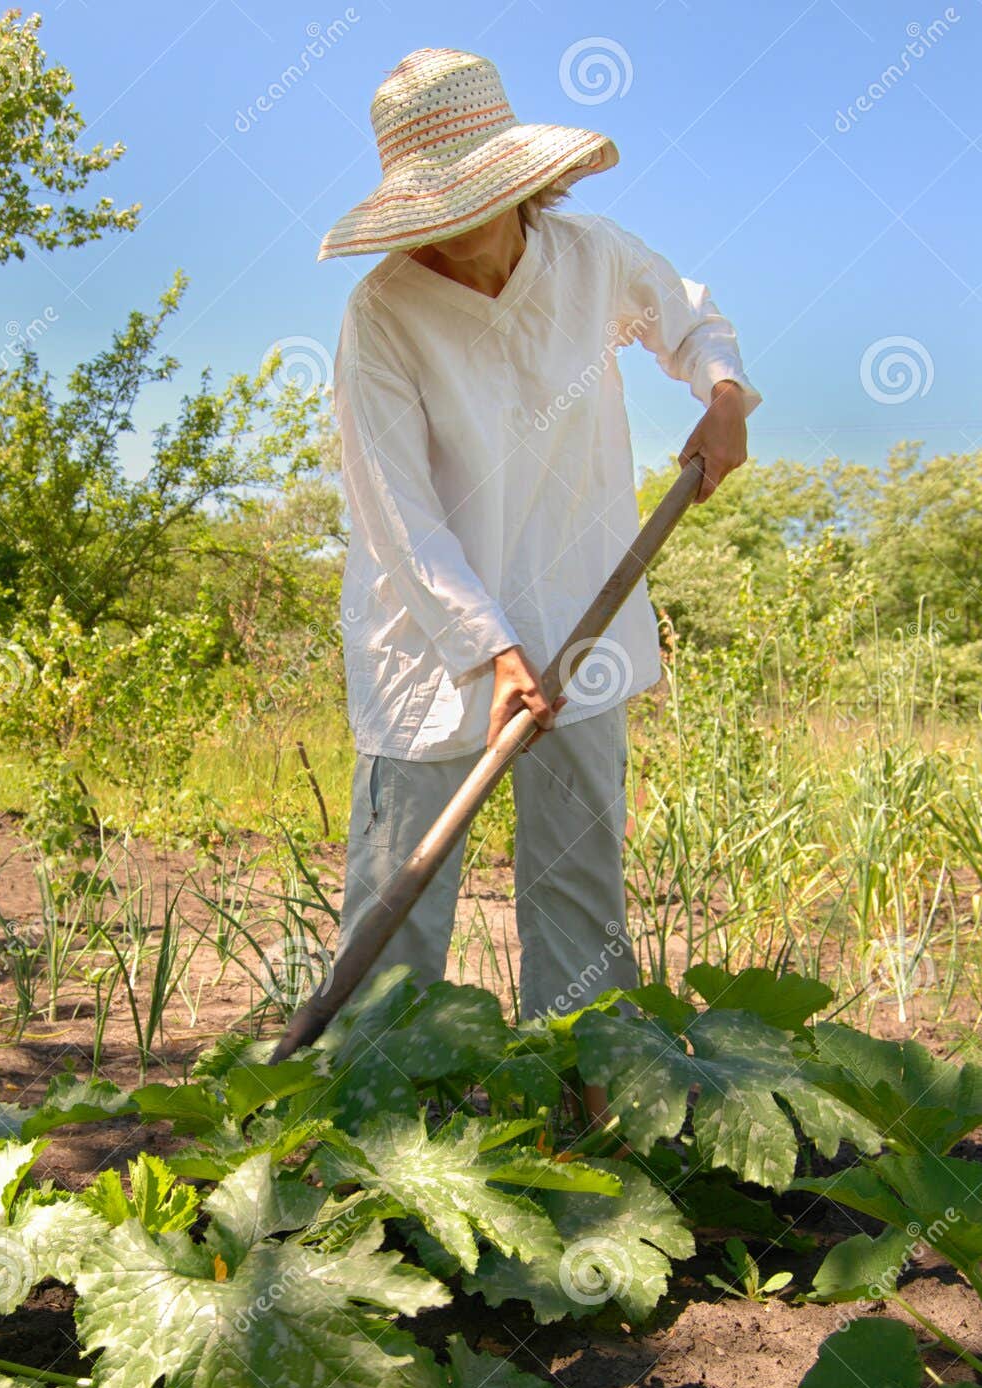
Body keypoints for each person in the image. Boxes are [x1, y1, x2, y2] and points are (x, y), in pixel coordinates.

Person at [317, 47, 761, 1075]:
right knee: (401, 898)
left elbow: (688, 317)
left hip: (581, 620)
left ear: (521, 177)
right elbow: (399, 510)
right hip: (430, 648)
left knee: (577, 893)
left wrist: (725, 393)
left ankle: (591, 1113)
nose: (461, 228)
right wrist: (489, 647)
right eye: (439, 206)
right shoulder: (382, 313)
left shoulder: (592, 256)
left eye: (479, 196)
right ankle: (369, 1124)